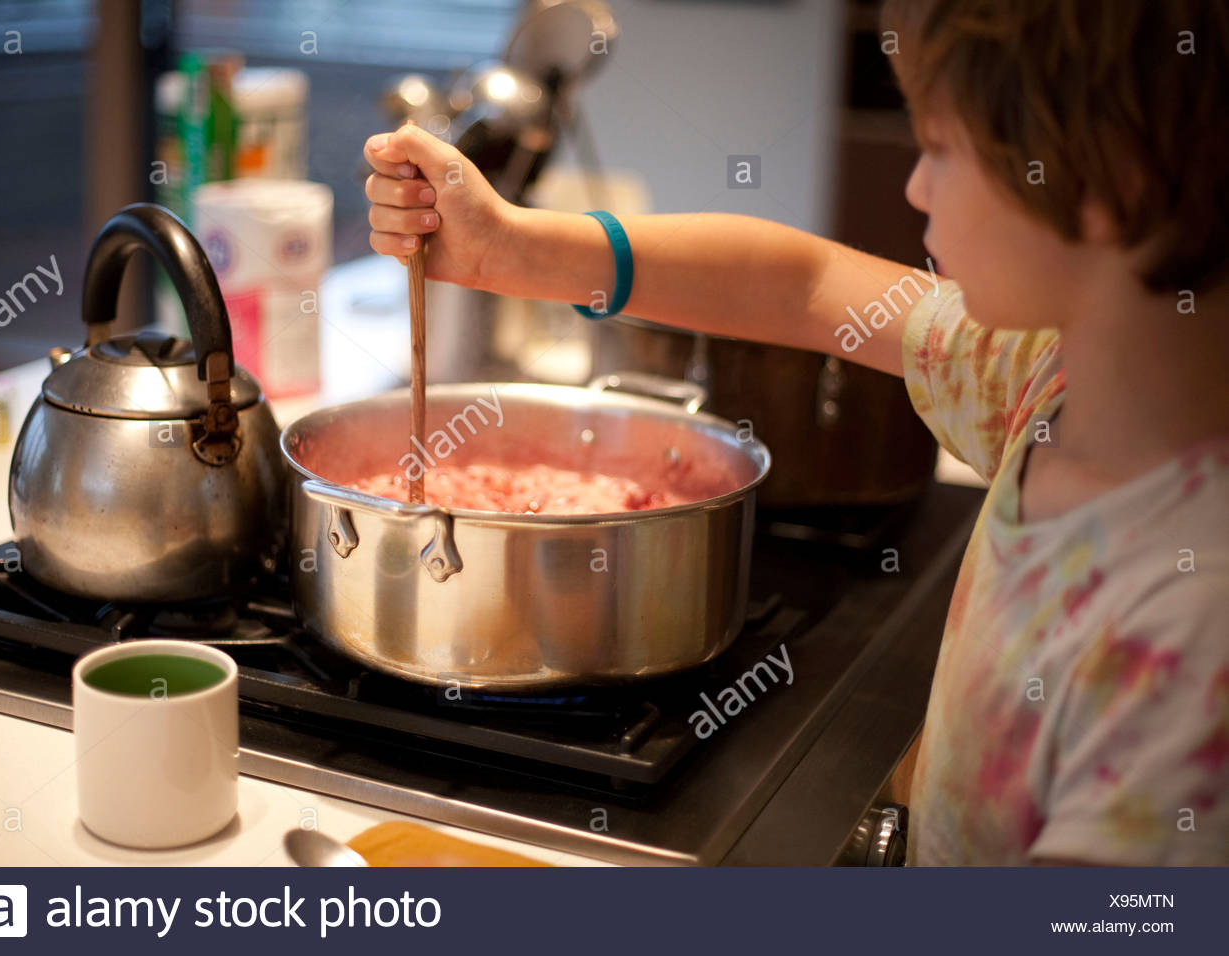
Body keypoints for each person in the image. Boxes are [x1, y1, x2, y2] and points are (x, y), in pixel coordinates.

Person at [362, 0, 1229, 865]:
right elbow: (802, 285)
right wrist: (507, 248)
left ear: (1107, 183)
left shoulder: (1191, 651)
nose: (915, 186)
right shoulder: (1047, 379)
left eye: (940, 146)